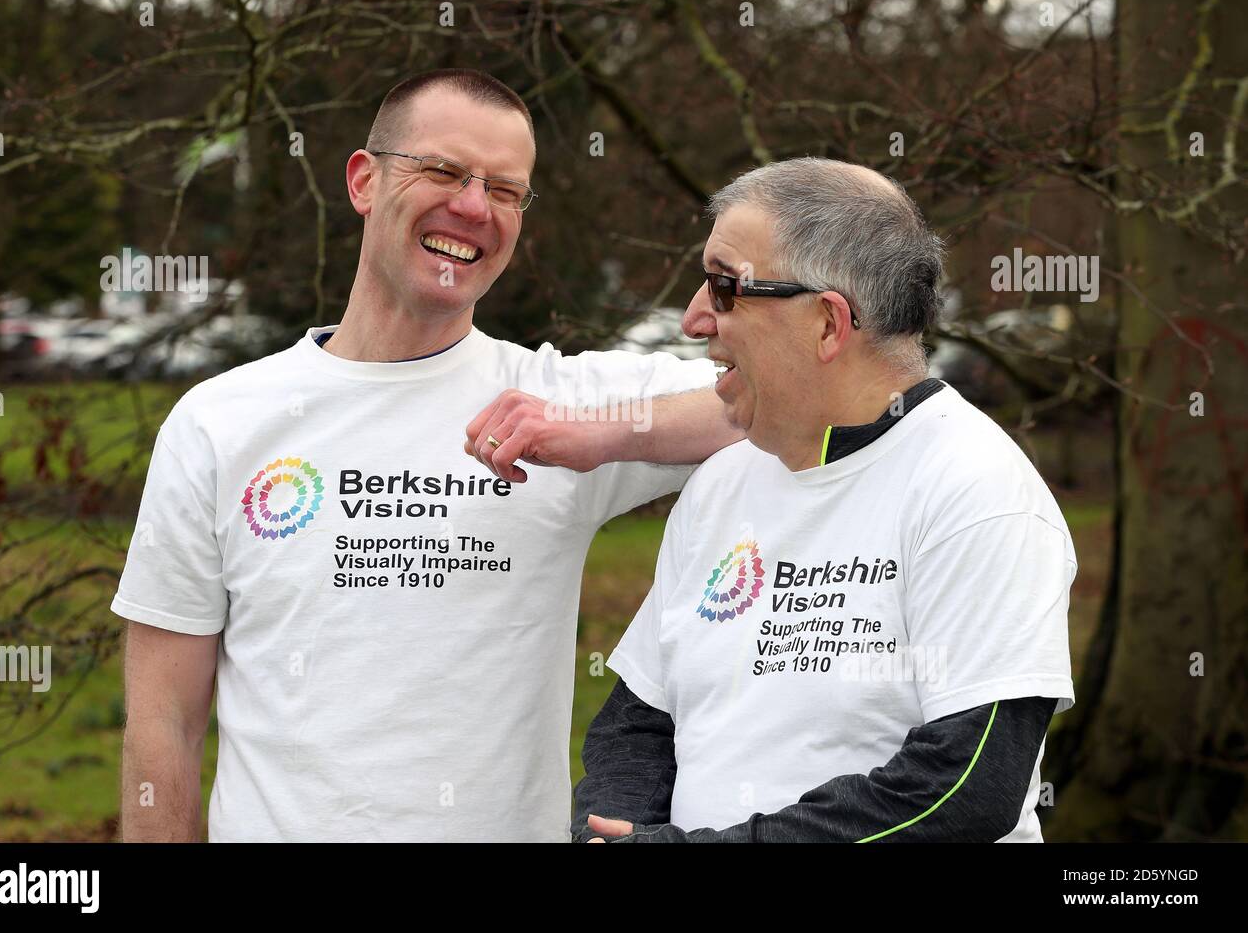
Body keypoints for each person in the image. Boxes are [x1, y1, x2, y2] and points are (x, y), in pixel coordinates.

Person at [114, 69, 741, 842]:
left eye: (506, 191)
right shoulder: (218, 422)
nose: (474, 207)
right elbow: (162, 726)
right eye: (442, 171)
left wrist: (601, 433)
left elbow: (781, 400)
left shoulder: (556, 400)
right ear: (363, 180)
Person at [573, 158, 1076, 843]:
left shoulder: (978, 490)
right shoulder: (724, 481)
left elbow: (965, 787)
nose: (694, 318)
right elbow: (636, 725)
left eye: (725, 287)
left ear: (828, 324)